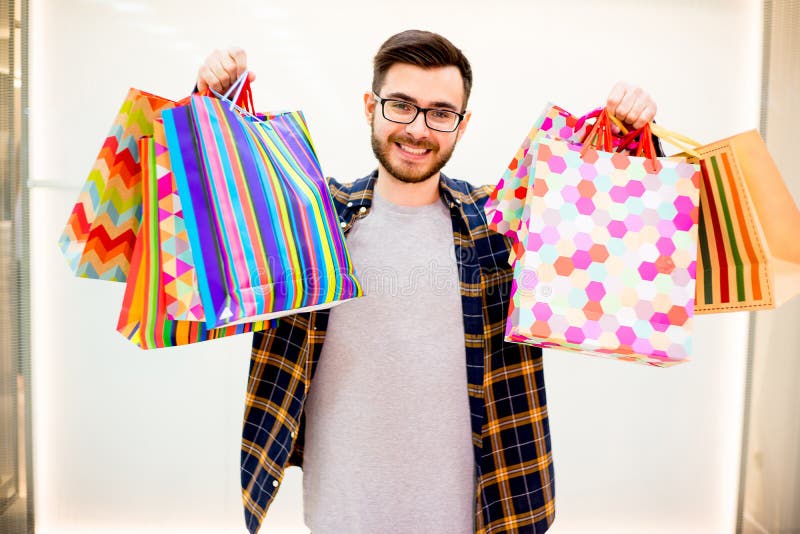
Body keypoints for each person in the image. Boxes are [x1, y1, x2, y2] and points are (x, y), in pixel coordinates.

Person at [196, 29, 657, 534]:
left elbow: (602, 233)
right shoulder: (313, 221)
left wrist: (628, 135)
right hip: (340, 516)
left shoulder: (501, 227)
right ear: (369, 106)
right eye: (400, 105)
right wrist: (209, 106)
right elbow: (214, 218)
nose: (418, 129)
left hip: (474, 518)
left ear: (462, 125)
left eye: (440, 112)